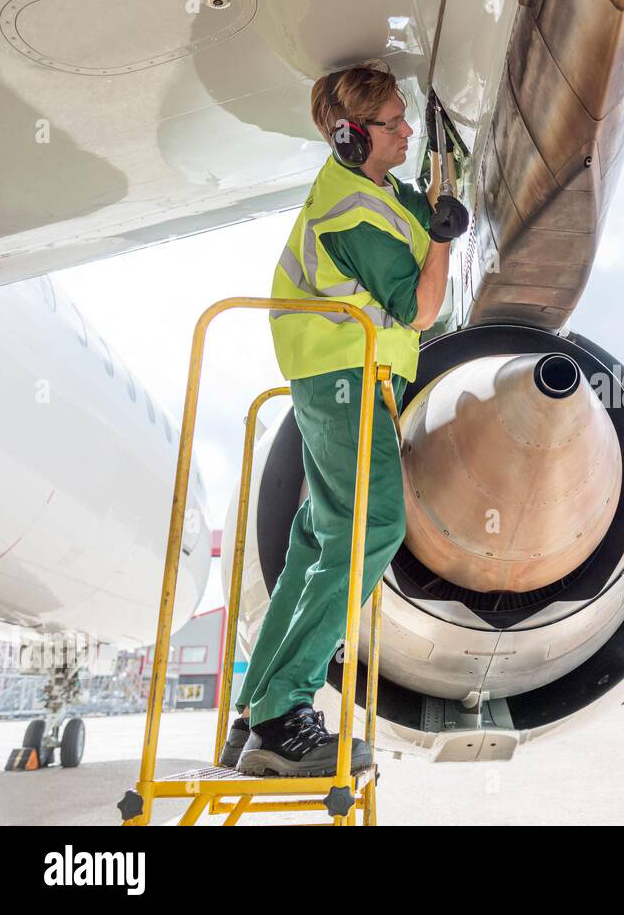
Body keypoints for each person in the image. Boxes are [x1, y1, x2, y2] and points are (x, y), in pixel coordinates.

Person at [218, 59, 459, 776]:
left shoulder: (378, 192)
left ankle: (255, 707)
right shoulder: (350, 209)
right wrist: (444, 240)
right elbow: (419, 307)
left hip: (340, 377)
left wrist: (443, 203)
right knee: (372, 524)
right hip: (341, 376)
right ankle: (283, 712)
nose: (407, 130)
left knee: (318, 539)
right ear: (352, 139)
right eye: (393, 123)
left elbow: (423, 217)